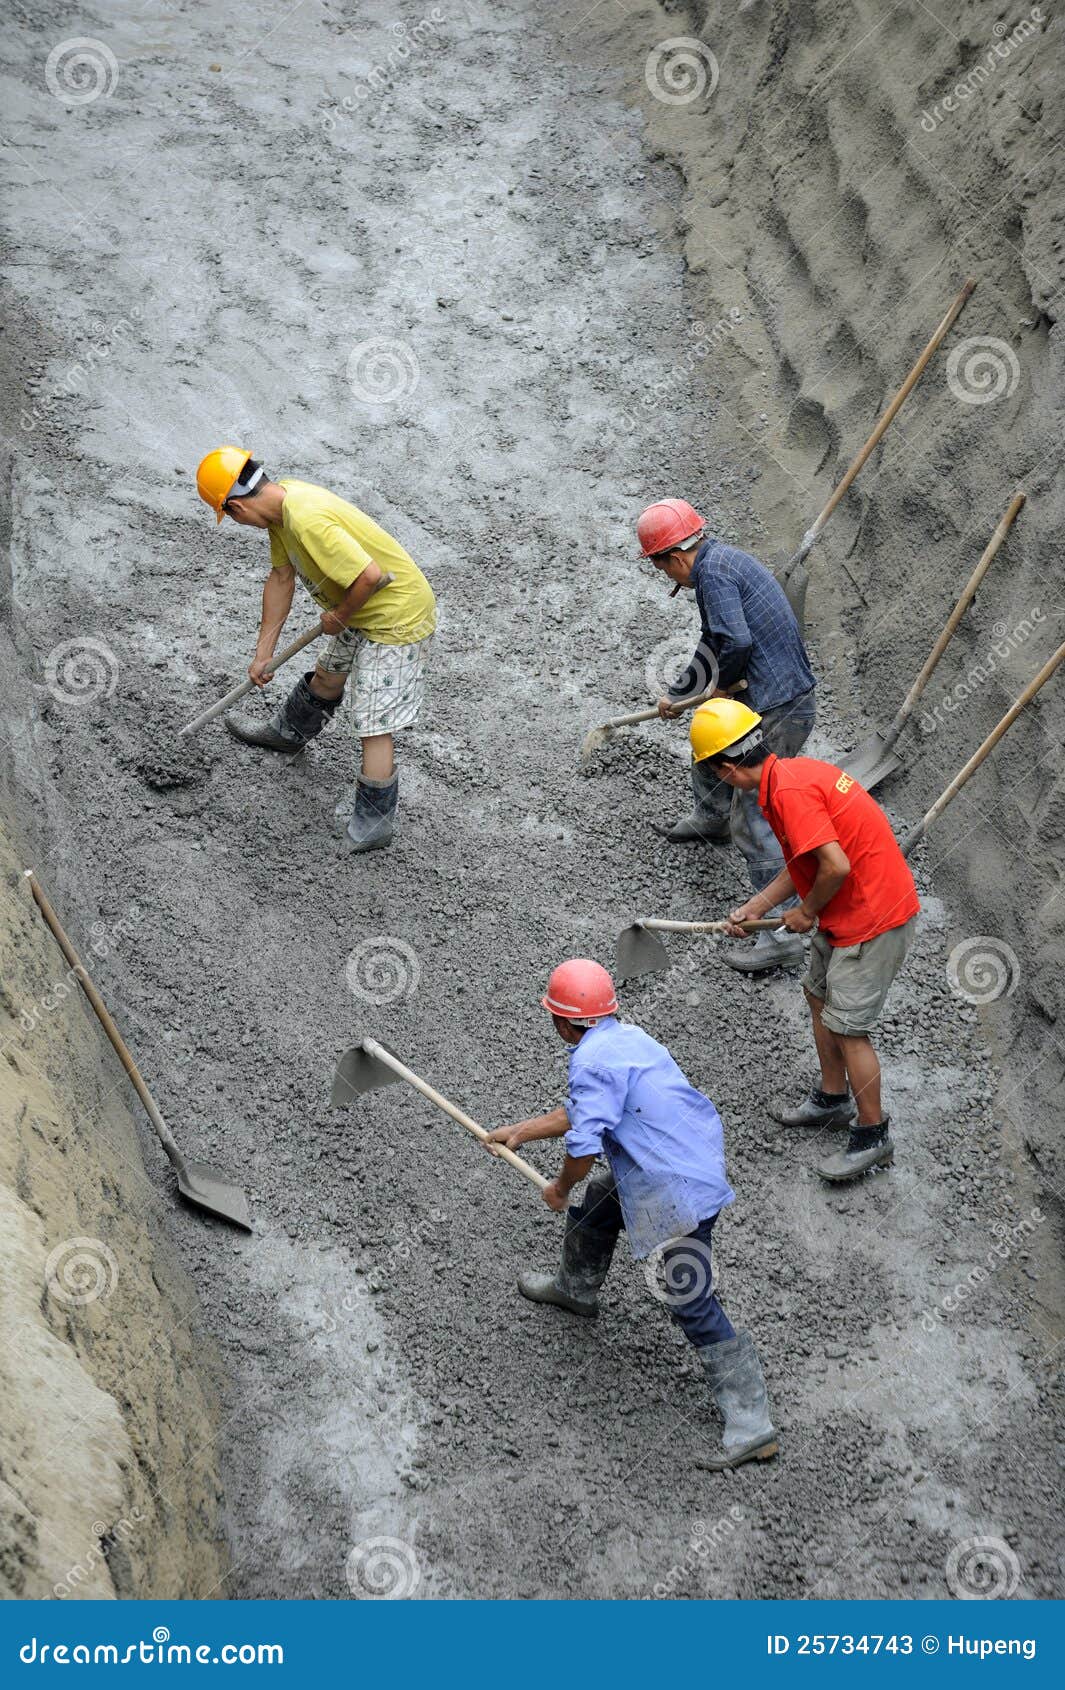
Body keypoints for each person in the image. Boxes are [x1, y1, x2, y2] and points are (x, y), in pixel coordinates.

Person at [485, 957, 778, 1472]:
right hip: (685, 1158)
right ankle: (576, 1289)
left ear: (560, 1021)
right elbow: (586, 1112)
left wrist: (558, 1187)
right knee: (601, 1200)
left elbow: (583, 1141)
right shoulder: (627, 1039)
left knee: (687, 1293)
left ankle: (752, 1424)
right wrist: (520, 1131)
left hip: (674, 1187)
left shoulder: (590, 1061)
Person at [692, 698, 920, 1184]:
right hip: (846, 910)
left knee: (848, 1028)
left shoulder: (790, 795)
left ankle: (874, 1135)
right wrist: (758, 907)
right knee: (818, 997)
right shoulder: (786, 778)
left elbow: (836, 867)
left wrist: (806, 912)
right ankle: (832, 1099)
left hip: (874, 918)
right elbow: (809, 866)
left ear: (728, 768)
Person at [195, 447, 436, 852]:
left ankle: (375, 823)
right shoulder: (282, 510)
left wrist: (339, 616)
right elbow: (280, 577)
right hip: (363, 609)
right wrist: (263, 653)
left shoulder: (306, 519)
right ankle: (288, 732)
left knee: (373, 719)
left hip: (396, 615)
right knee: (328, 674)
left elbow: (370, 575)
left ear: (235, 507)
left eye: (232, 518)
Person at [635, 498, 818, 976]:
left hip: (780, 709)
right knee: (709, 740)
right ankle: (710, 818)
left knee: (756, 816)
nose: (667, 577)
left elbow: (735, 644)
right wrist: (681, 694)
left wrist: (716, 689)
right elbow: (714, 642)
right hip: (769, 696)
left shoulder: (713, 577)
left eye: (662, 569)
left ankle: (779, 935)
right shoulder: (719, 562)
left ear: (673, 558)